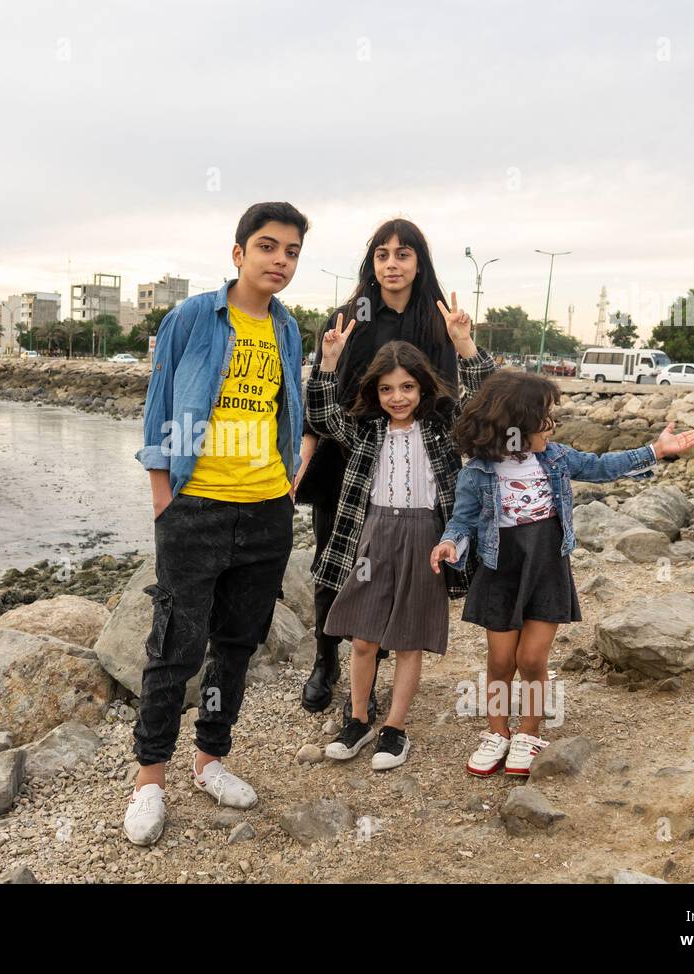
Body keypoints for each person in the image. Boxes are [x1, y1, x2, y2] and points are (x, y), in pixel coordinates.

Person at [124, 201, 309, 846]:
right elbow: (158, 404)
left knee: (236, 645)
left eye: (290, 252)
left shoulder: (288, 330)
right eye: (267, 247)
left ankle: (211, 760)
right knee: (173, 644)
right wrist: (162, 496)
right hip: (195, 505)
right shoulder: (192, 317)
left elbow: (292, 409)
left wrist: (289, 480)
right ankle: (150, 779)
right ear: (239, 254)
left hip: (266, 511)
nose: (279, 261)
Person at [430, 371, 694, 776]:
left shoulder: (555, 458)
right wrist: (450, 543)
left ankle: (528, 733)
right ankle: (497, 734)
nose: (551, 425)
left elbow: (600, 466)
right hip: (499, 570)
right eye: (544, 417)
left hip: (545, 567)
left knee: (531, 658)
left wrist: (655, 451)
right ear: (517, 423)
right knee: (501, 661)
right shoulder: (479, 471)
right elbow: (463, 520)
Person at [307, 295, 493, 769]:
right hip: (373, 535)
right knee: (365, 638)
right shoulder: (366, 429)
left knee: (410, 640)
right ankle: (358, 719)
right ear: (376, 392)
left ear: (423, 386)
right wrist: (328, 361)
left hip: (425, 536)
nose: (398, 397)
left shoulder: (444, 425)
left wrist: (464, 342)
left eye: (407, 387)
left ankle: (395, 728)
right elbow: (322, 416)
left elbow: (485, 397)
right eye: (388, 389)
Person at [294, 219, 460, 719]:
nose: (392, 263)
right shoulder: (349, 315)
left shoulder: (437, 320)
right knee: (336, 561)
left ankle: (368, 688)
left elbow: (450, 398)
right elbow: (321, 397)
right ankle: (326, 662)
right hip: (348, 454)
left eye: (403, 254)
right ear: (372, 262)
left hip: (410, 461)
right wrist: (304, 453)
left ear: (418, 263)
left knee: (394, 572)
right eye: (382, 254)